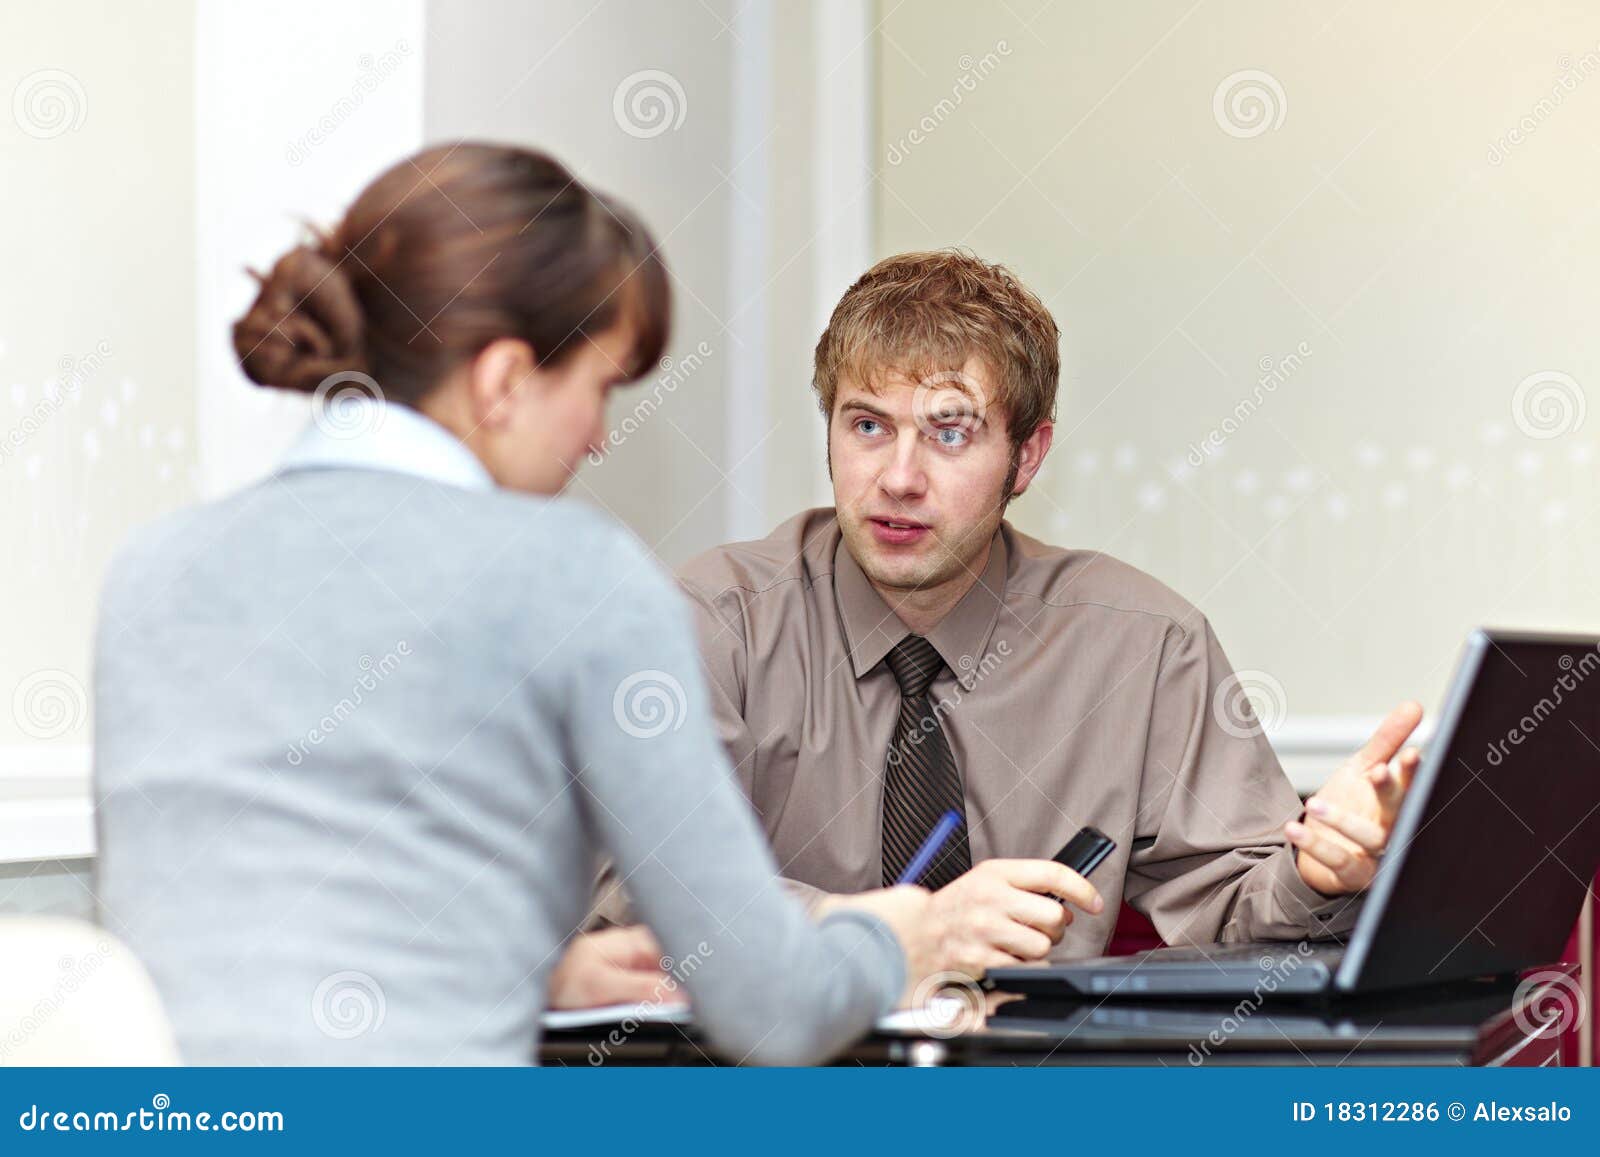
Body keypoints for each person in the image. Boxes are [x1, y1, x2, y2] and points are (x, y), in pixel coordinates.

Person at [92, 142, 937, 1065]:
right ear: (502, 381)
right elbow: (774, 1009)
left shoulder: (151, 569)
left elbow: (272, 944)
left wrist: (528, 975)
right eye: (599, 387)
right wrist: (891, 940)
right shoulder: (573, 573)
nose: (600, 438)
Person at [594, 249, 1423, 977]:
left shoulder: (1142, 645)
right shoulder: (714, 620)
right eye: (868, 426)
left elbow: (1239, 911)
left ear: (1027, 455)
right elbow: (639, 885)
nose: (898, 478)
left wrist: (1323, 870)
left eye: (949, 434)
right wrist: (894, 933)